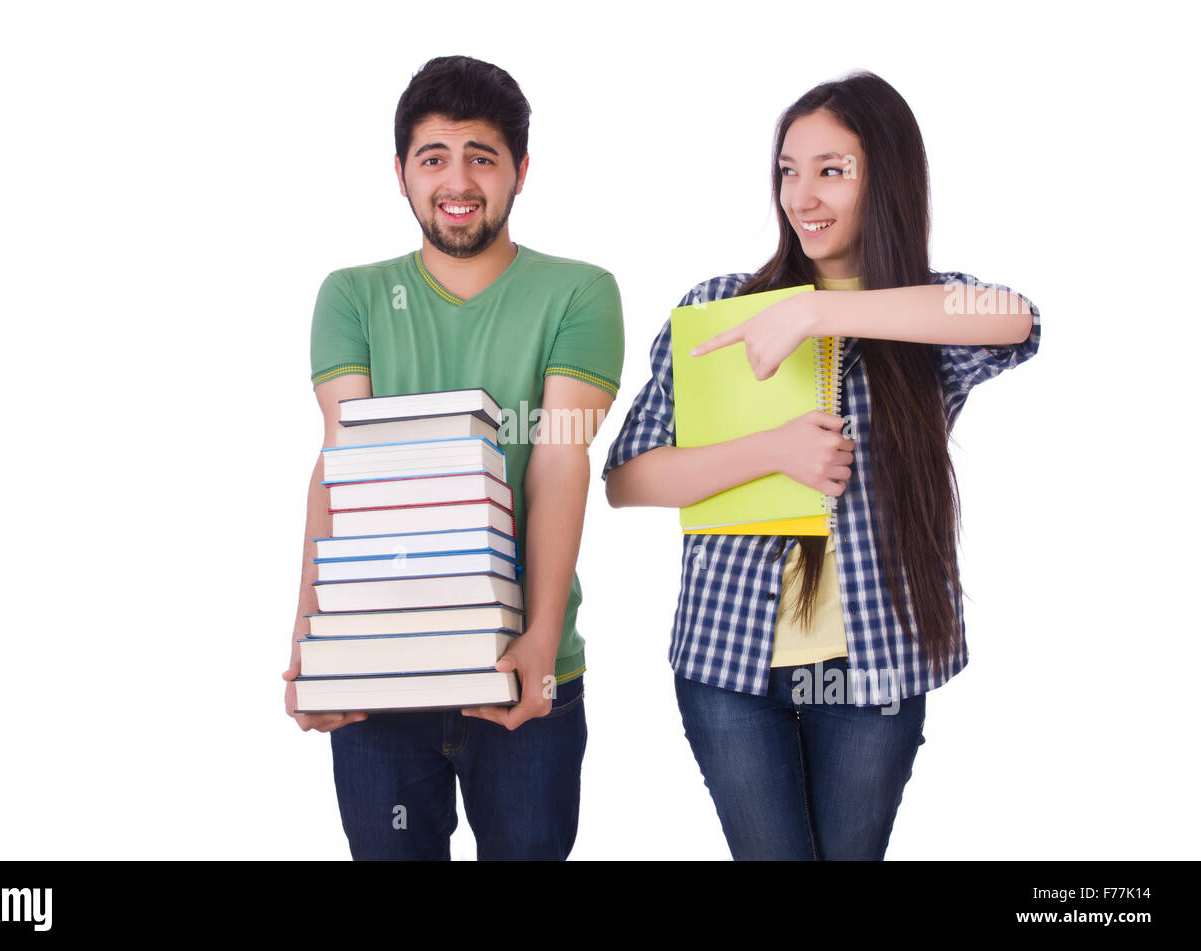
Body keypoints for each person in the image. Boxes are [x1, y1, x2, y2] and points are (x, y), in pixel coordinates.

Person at [601, 71, 1040, 860]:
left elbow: (1018, 319)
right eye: (788, 170)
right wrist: (770, 452)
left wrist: (819, 308)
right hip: (731, 666)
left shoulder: (922, 318)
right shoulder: (719, 307)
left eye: (831, 170)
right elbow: (628, 478)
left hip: (874, 671)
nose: (802, 195)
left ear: (889, 177)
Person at [284, 55, 624, 861]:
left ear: (520, 172)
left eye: (482, 155)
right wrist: (309, 637)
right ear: (400, 173)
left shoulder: (578, 292)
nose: (457, 179)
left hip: (522, 662)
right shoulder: (352, 296)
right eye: (433, 157)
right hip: (377, 666)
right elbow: (342, 465)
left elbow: (559, 462)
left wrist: (540, 639)